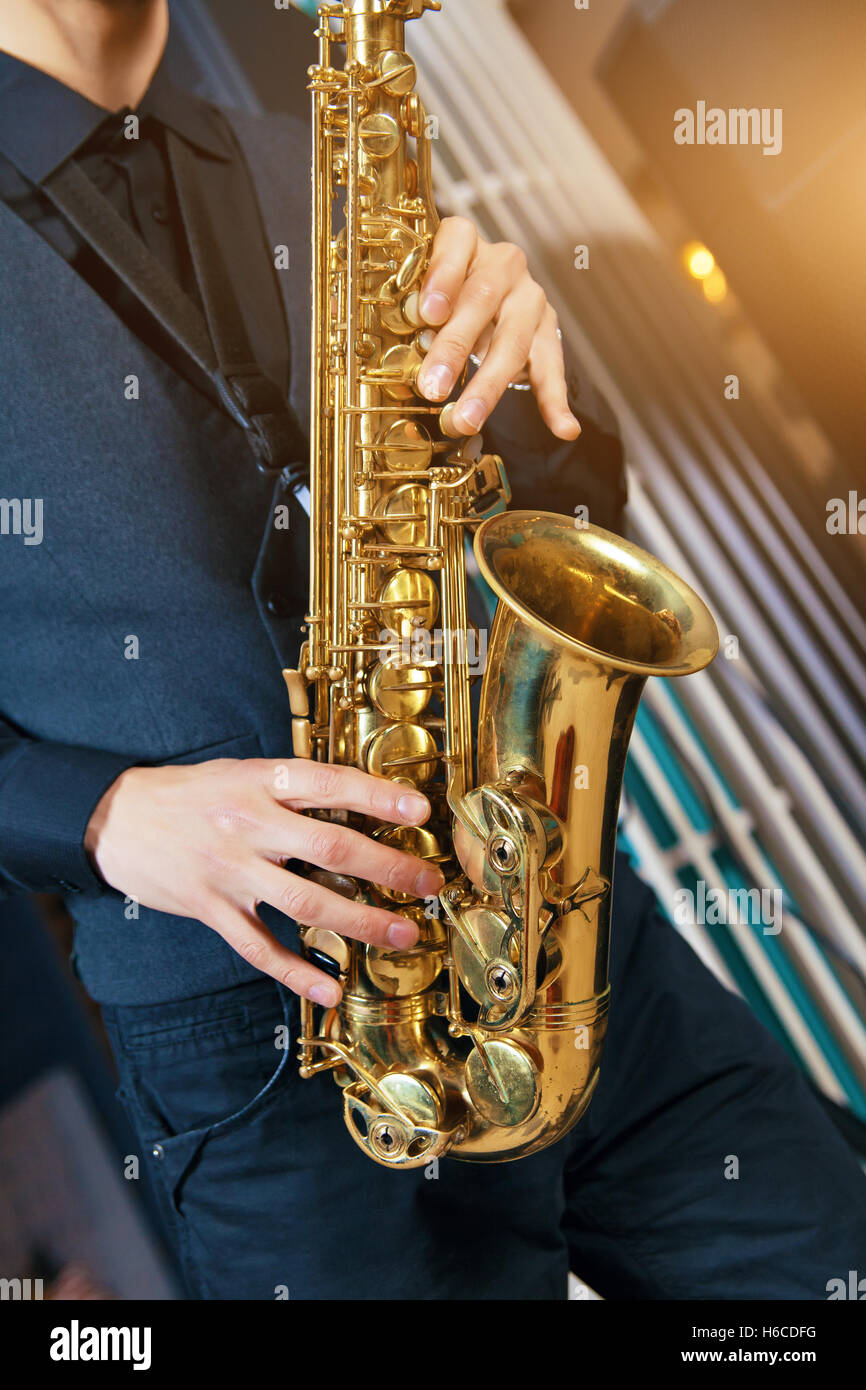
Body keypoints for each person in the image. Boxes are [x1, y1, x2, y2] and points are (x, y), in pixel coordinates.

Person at [0, 0, 863, 1301]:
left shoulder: (319, 159)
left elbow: (567, 518)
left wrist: (521, 377)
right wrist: (106, 815)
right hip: (260, 1030)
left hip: (553, 927)